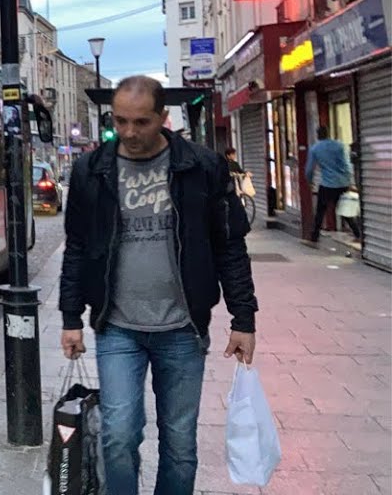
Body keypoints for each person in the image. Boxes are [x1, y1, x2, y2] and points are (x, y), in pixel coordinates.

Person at [59, 75, 257, 495]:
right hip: (117, 326)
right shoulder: (91, 170)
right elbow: (77, 246)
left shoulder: (201, 167)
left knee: (180, 445)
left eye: (141, 122)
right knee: (118, 435)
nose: (129, 132)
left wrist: (243, 319)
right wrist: (70, 316)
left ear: (163, 117)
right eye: (120, 121)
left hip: (182, 328)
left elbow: (229, 246)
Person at [304, 126, 355, 246]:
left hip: (327, 184)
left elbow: (309, 169)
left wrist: (310, 181)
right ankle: (358, 234)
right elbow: (346, 164)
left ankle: (314, 238)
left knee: (320, 212)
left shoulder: (315, 148)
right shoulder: (339, 145)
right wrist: (349, 181)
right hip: (342, 183)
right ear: (328, 133)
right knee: (344, 210)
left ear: (318, 135)